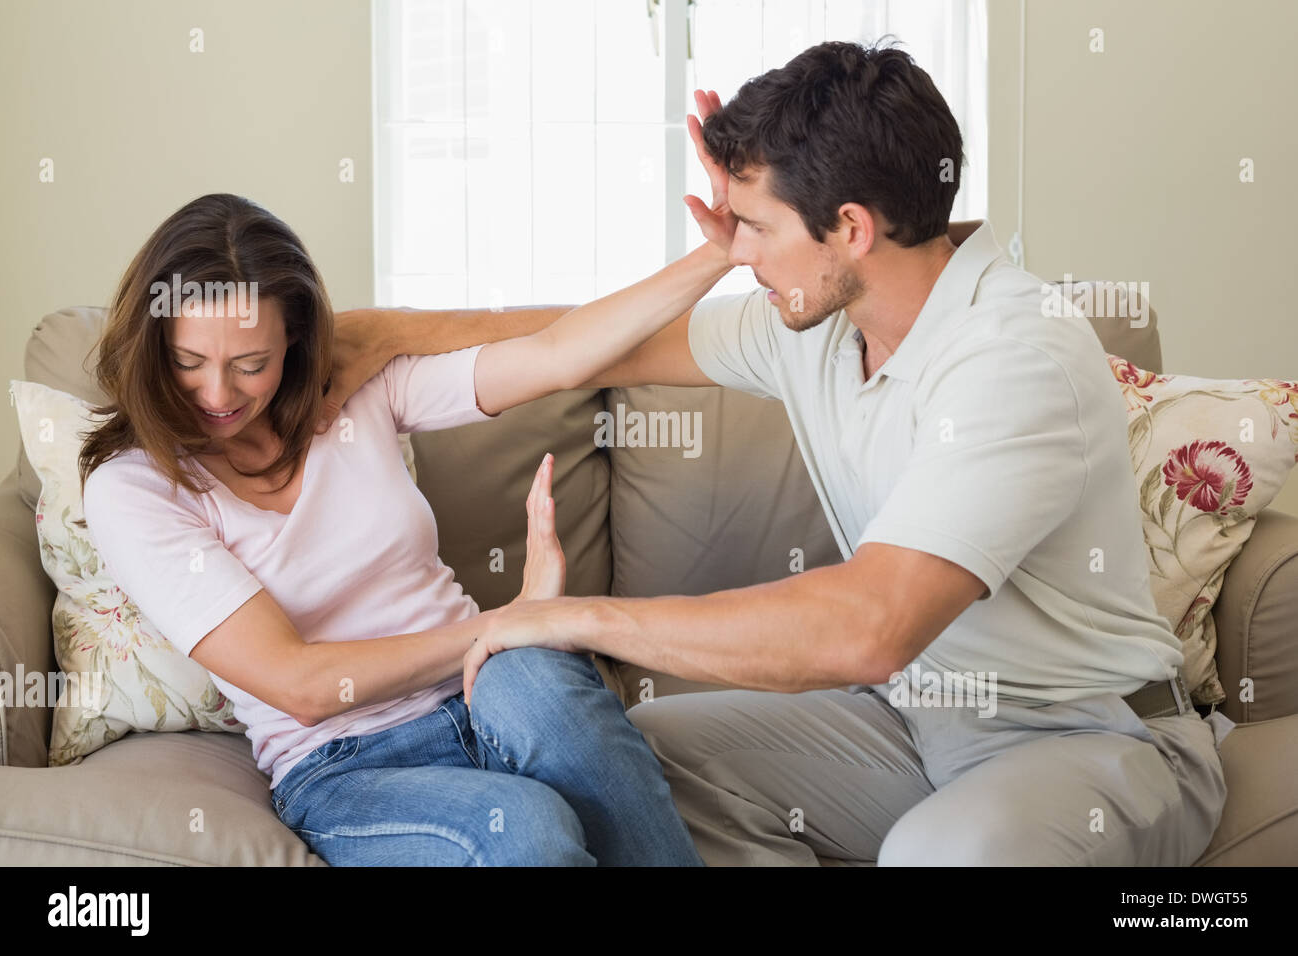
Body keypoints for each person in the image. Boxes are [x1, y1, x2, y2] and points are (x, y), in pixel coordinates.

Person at [387, 39, 1233, 865]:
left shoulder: (1015, 354)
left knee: (942, 852)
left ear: (852, 228)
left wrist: (576, 617)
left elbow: (872, 627)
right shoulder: (817, 323)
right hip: (913, 721)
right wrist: (359, 340)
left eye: (751, 226)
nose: (735, 252)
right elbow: (576, 345)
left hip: (1089, 739)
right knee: (633, 762)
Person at [77, 190, 730, 866]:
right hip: (345, 764)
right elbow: (300, 686)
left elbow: (558, 355)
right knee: (527, 829)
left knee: (544, 688)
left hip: (489, 690)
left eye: (251, 365)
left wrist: (719, 255)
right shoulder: (134, 486)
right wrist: (512, 621)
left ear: (295, 338)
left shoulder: (355, 390)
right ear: (153, 344)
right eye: (189, 363)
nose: (218, 395)